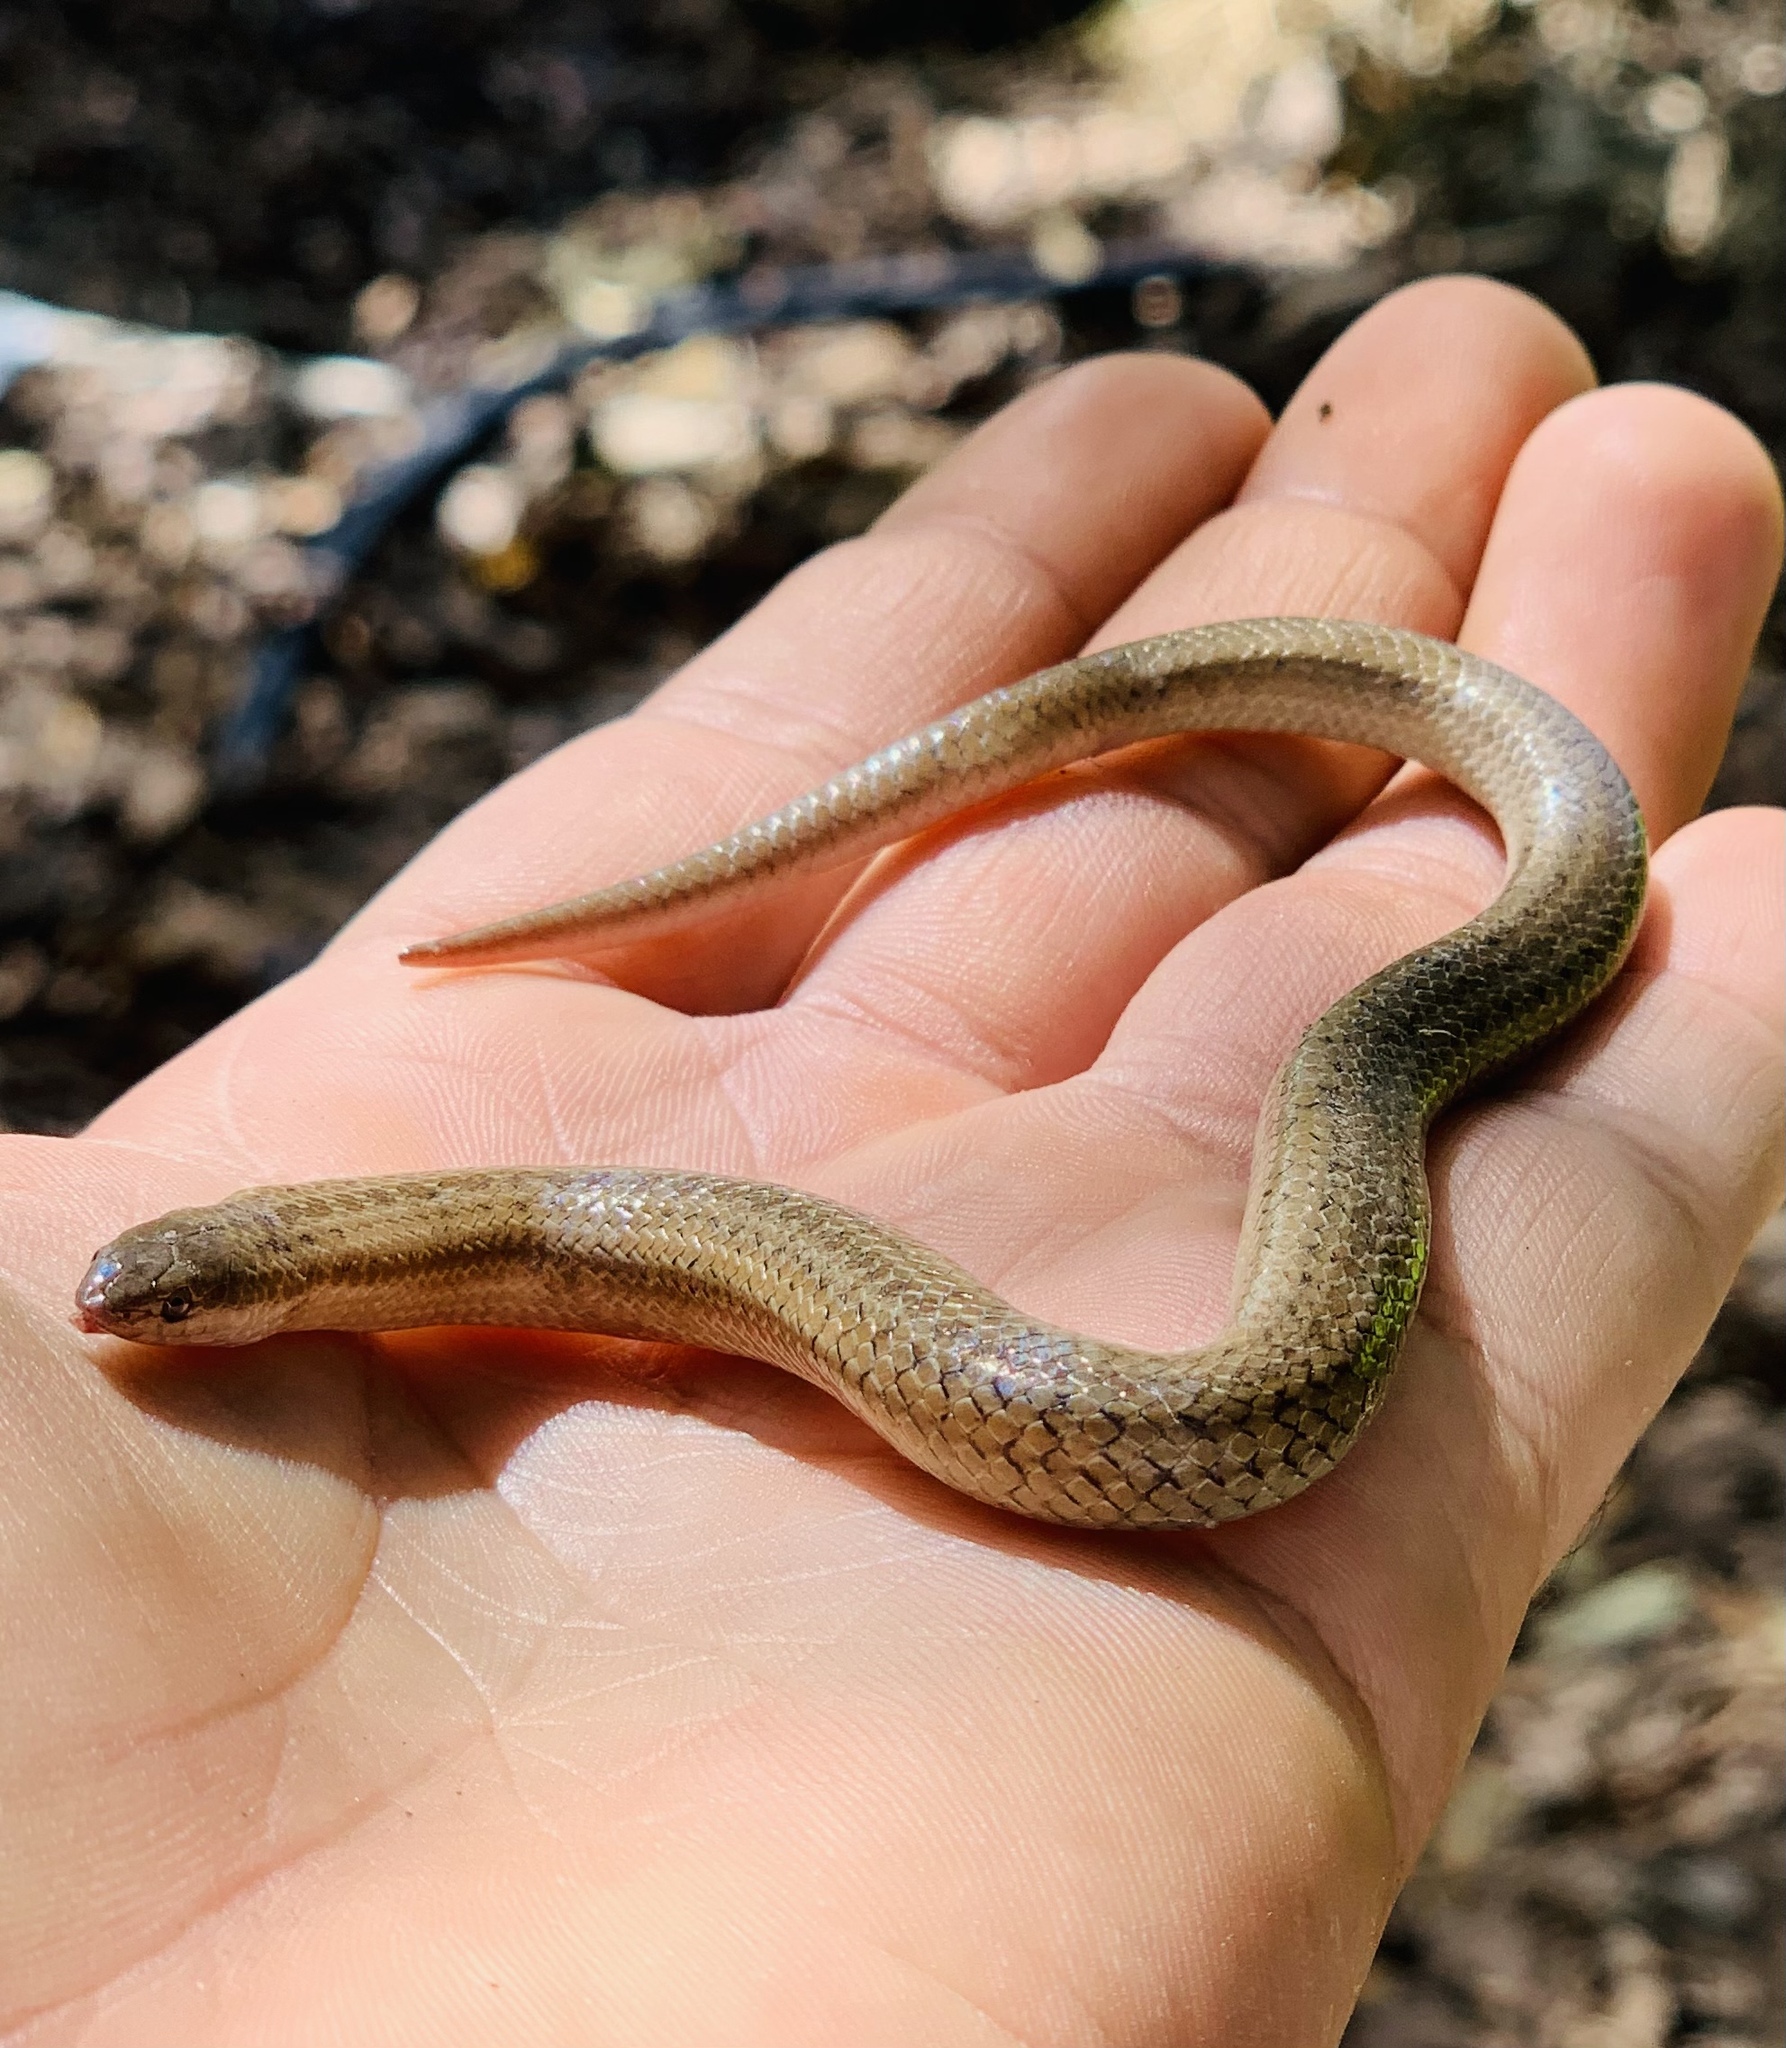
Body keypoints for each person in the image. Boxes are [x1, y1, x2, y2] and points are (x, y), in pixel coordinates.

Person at [3, 275, 1780, 2043]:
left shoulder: (409, 1251)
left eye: (188, 1286)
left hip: (1251, 1337)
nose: (138, 1316)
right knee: (1334, 1062)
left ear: (275, 1274)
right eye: (182, 1295)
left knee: (1354, 1052)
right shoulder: (412, 1261)